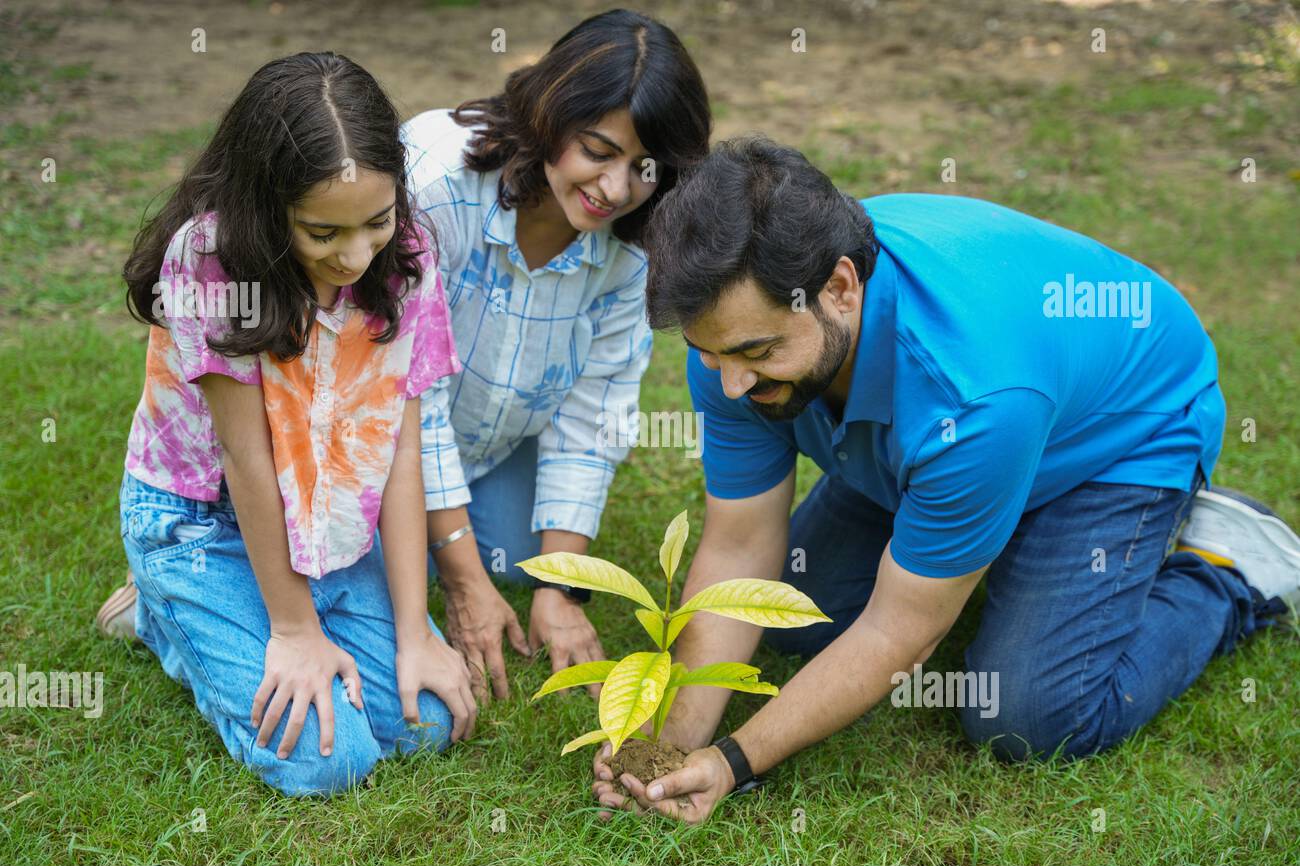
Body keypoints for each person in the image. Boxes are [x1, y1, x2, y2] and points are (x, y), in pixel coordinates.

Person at [594, 136, 1300, 823]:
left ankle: (1226, 567)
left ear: (840, 287)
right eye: (710, 354)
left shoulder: (972, 395)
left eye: (759, 352)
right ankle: (974, 526)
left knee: (1022, 714)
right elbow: (741, 547)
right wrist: (674, 740)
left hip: (1123, 435)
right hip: (959, 440)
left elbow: (902, 631)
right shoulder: (731, 336)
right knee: (796, 615)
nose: (734, 382)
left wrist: (733, 762)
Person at [100, 52, 476, 797]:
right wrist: (295, 632)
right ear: (265, 204)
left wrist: (414, 632)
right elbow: (245, 460)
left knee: (428, 718)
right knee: (329, 761)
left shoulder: (408, 254)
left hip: (331, 516)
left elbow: (399, 448)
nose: (357, 253)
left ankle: (242, 616)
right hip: (208, 523)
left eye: (376, 221)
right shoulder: (211, 262)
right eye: (322, 232)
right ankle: (164, 609)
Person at [401, 9, 711, 703]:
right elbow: (407, 397)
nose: (614, 190)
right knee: (373, 560)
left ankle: (445, 534)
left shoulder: (631, 250)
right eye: (598, 151)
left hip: (485, 442)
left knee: (520, 557)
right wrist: (463, 584)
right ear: (550, 113)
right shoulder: (435, 186)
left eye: (644, 169)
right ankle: (191, 575)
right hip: (376, 436)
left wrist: (559, 585)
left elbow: (595, 411)